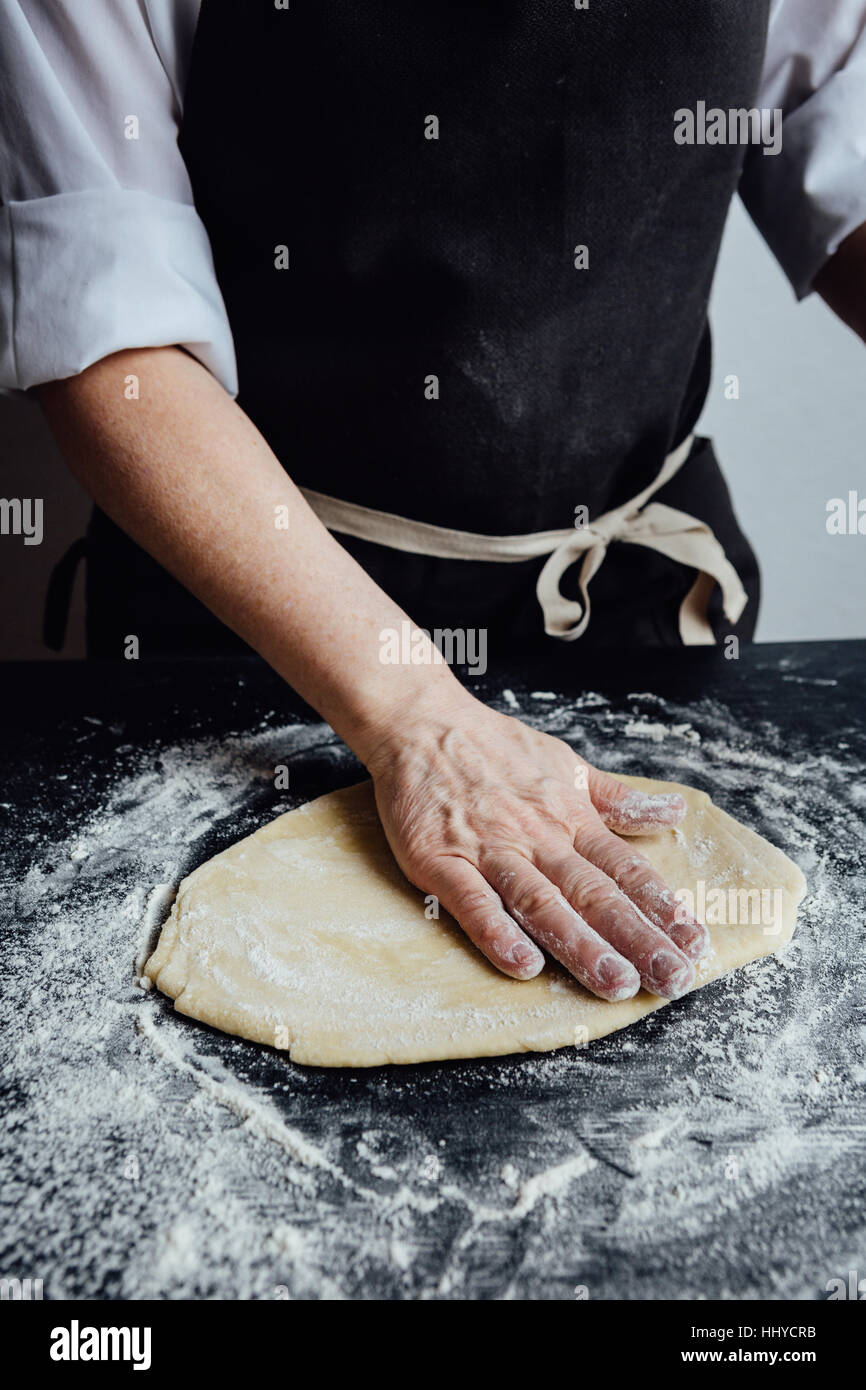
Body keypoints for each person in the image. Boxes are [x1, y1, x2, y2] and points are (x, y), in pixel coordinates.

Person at [3, 2, 865, 1003]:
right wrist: (416, 715)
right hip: (253, 628)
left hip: (638, 599)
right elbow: (112, 348)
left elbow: (830, 118)